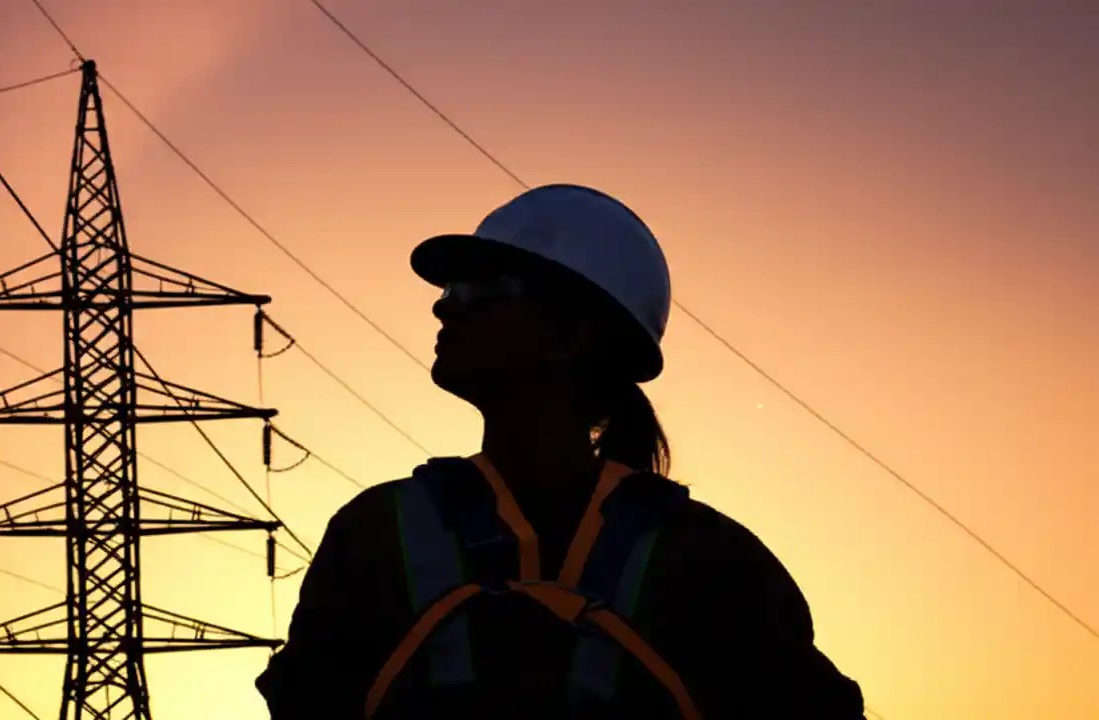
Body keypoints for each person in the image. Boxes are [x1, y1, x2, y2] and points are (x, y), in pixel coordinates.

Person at [255, 184, 865, 719]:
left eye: (478, 288)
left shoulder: (713, 565)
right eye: (449, 288)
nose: (444, 305)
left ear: (575, 334)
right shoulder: (371, 536)